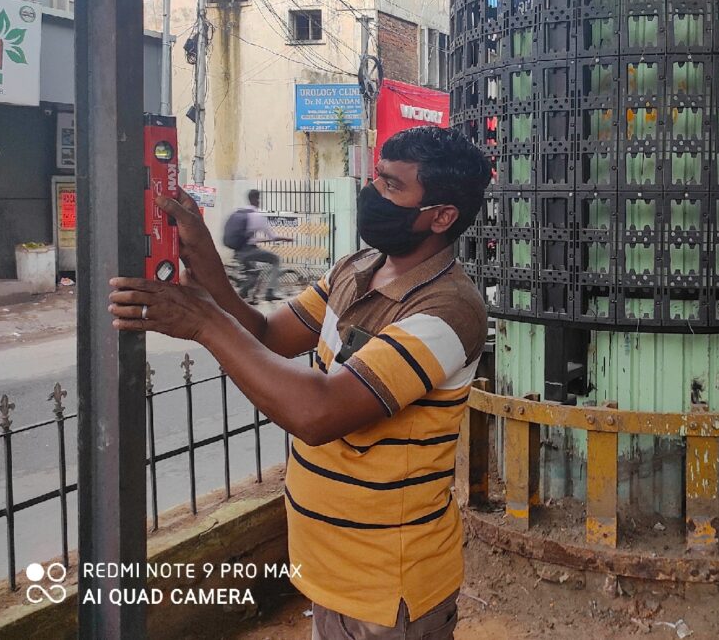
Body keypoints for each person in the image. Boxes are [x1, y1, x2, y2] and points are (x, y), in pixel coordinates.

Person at [109, 126, 492, 640]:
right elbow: (268, 336)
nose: (374, 194)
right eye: (376, 179)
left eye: (393, 187)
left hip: (388, 584)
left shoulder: (448, 310)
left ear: (442, 216)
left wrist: (204, 322)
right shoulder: (356, 269)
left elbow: (318, 414)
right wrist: (203, 263)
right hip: (325, 565)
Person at [230, 190, 291, 302]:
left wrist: (265, 240)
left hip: (238, 252)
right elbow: (273, 237)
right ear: (256, 199)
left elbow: (253, 239)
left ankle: (241, 295)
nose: (260, 201)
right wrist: (286, 238)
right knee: (275, 259)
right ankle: (270, 292)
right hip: (249, 251)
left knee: (253, 275)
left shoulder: (240, 213)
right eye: (259, 199)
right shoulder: (257, 216)